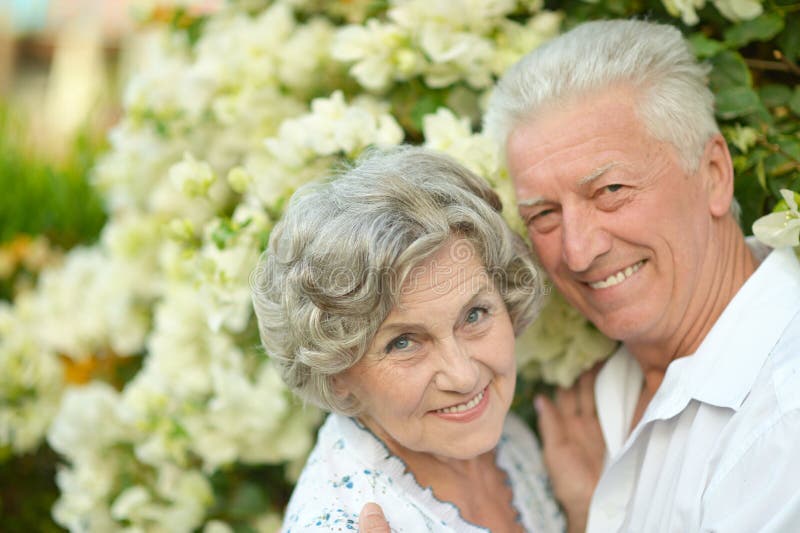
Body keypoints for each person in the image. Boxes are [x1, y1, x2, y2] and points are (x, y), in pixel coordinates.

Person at [360, 18, 800, 533]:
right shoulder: (598, 390)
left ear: (714, 176)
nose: (578, 250)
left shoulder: (784, 418)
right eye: (543, 214)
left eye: (611, 190)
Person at [251, 146, 565, 532]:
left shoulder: (502, 437)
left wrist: (586, 515)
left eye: (474, 315)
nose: (463, 376)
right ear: (337, 372)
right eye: (403, 343)